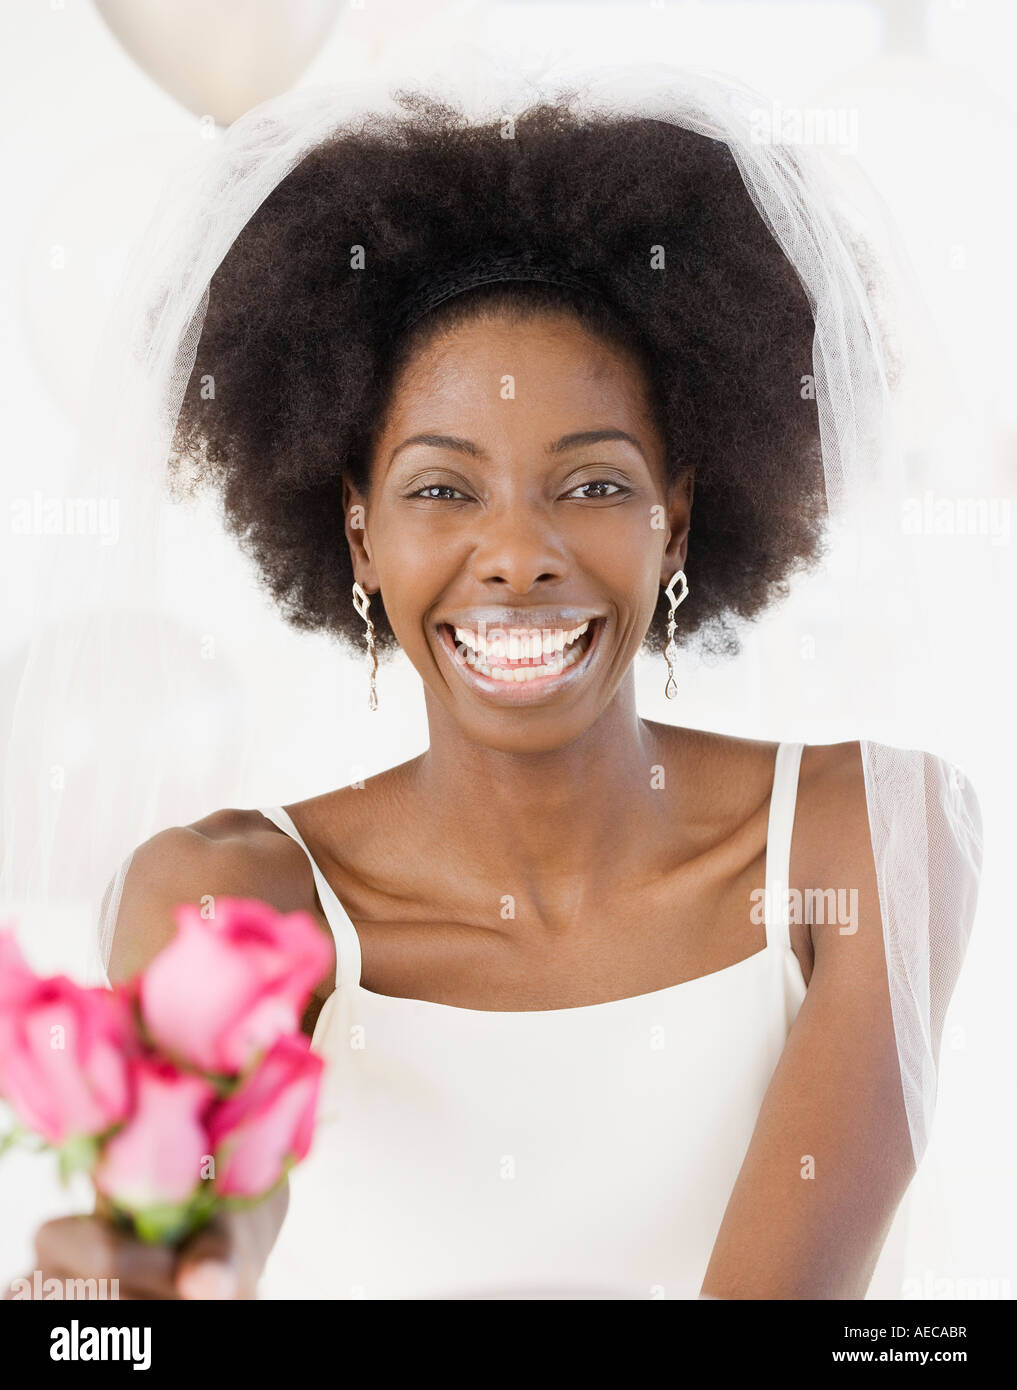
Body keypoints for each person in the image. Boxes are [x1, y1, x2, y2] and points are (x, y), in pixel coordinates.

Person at [19, 78, 980, 1300]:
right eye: (441, 490)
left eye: (590, 485)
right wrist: (138, 1271)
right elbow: (190, 1229)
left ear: (676, 521)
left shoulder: (871, 841)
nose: (518, 553)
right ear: (358, 537)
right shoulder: (226, 894)